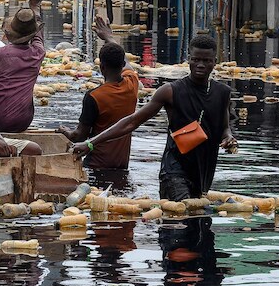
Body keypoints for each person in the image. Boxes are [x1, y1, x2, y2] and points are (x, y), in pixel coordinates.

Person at [71, 34, 238, 201]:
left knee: (197, 221)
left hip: (203, 172)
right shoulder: (170, 91)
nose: (200, 65)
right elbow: (132, 122)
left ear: (214, 61)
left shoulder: (222, 93)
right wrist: (90, 143)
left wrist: (229, 138)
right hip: (174, 171)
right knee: (180, 217)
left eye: (207, 61)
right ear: (189, 59)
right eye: (196, 59)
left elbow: (224, 128)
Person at [58, 29, 139, 170]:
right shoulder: (132, 84)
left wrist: (64, 131)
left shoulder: (94, 96)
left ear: (101, 67)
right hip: (121, 164)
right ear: (122, 66)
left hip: (96, 164)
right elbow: (126, 60)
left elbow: (79, 136)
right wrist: (109, 37)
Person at [0, 0, 46, 133]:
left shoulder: (0, 54)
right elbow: (38, 37)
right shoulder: (38, 53)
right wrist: (35, 9)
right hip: (23, 120)